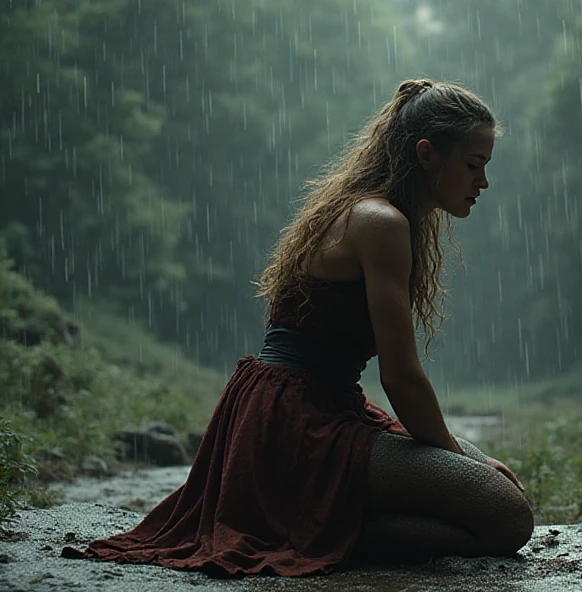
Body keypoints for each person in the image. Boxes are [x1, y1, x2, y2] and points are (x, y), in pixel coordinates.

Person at [62, 79, 535, 577]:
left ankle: (311, 519)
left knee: (495, 484)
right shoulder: (380, 221)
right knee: (507, 519)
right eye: (474, 165)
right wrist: (460, 462)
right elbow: (400, 377)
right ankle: (304, 525)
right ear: (426, 154)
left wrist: (463, 462)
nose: (483, 182)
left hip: (308, 410)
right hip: (295, 424)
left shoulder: (376, 213)